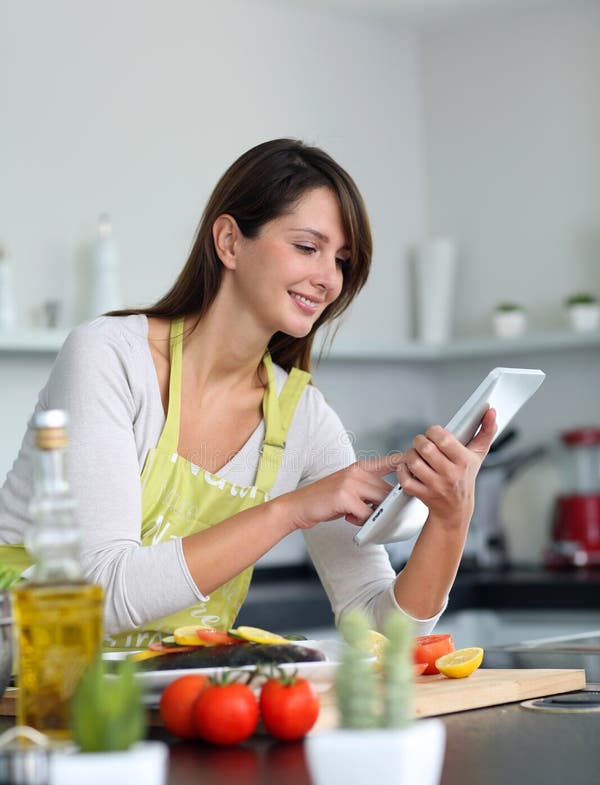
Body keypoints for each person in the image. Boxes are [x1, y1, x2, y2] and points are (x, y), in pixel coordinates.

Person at [0, 138, 496, 648]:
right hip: (24, 697)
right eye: (308, 247)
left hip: (151, 703)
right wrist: (289, 510)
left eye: (342, 260)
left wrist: (450, 519)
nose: (329, 279)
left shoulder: (302, 418)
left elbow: (383, 635)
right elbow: (95, 593)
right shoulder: (110, 357)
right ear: (230, 242)